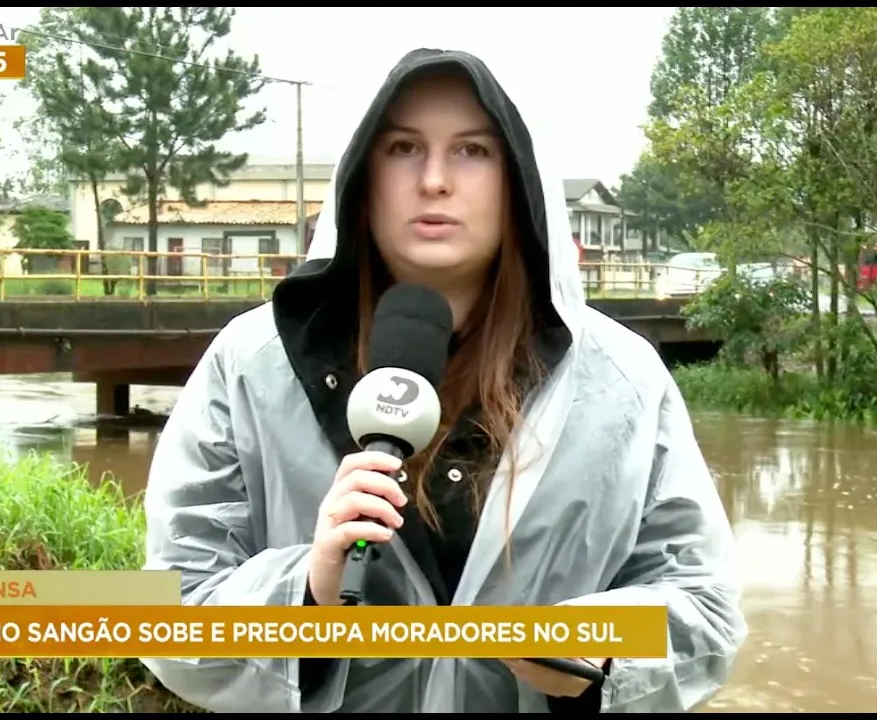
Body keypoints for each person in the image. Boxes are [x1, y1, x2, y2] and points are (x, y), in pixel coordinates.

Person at [139, 47, 747, 713]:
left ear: (517, 179)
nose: (434, 180)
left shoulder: (622, 380)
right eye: (403, 148)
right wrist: (307, 595)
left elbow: (707, 610)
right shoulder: (253, 363)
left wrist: (602, 651)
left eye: (472, 151)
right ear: (363, 173)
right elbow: (168, 608)